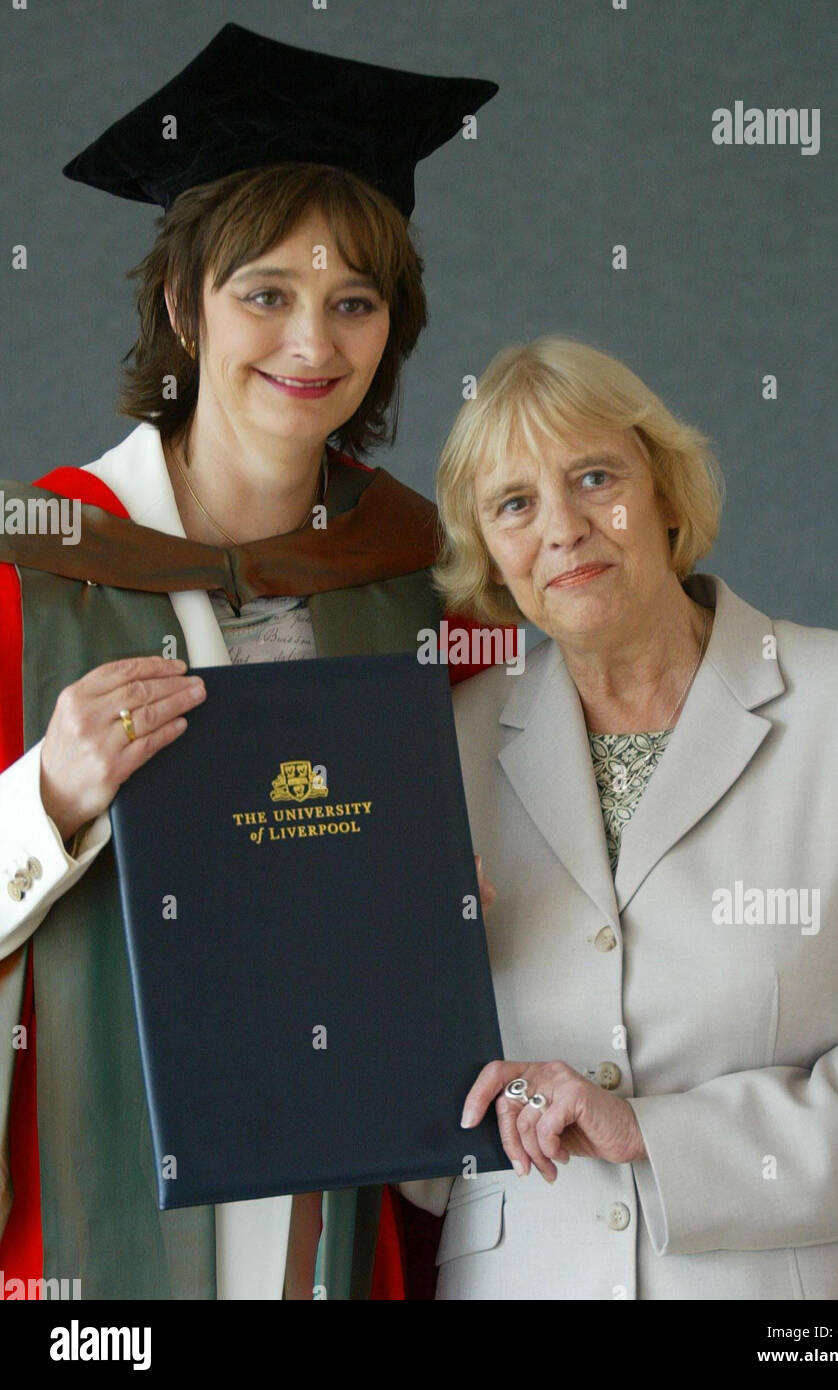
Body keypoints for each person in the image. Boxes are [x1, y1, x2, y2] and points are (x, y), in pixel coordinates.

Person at [0, 22, 500, 1300]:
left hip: (335, 1189)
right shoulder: (37, 563)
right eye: (264, 292)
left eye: (354, 301)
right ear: (182, 303)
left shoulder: (414, 572)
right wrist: (46, 798)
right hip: (91, 1206)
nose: (311, 344)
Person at [402, 334, 838, 1299]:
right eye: (515, 505)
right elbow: (412, 1131)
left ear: (664, 491)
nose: (563, 527)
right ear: (487, 550)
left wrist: (652, 1131)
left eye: (595, 476)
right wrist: (403, 973)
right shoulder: (443, 745)